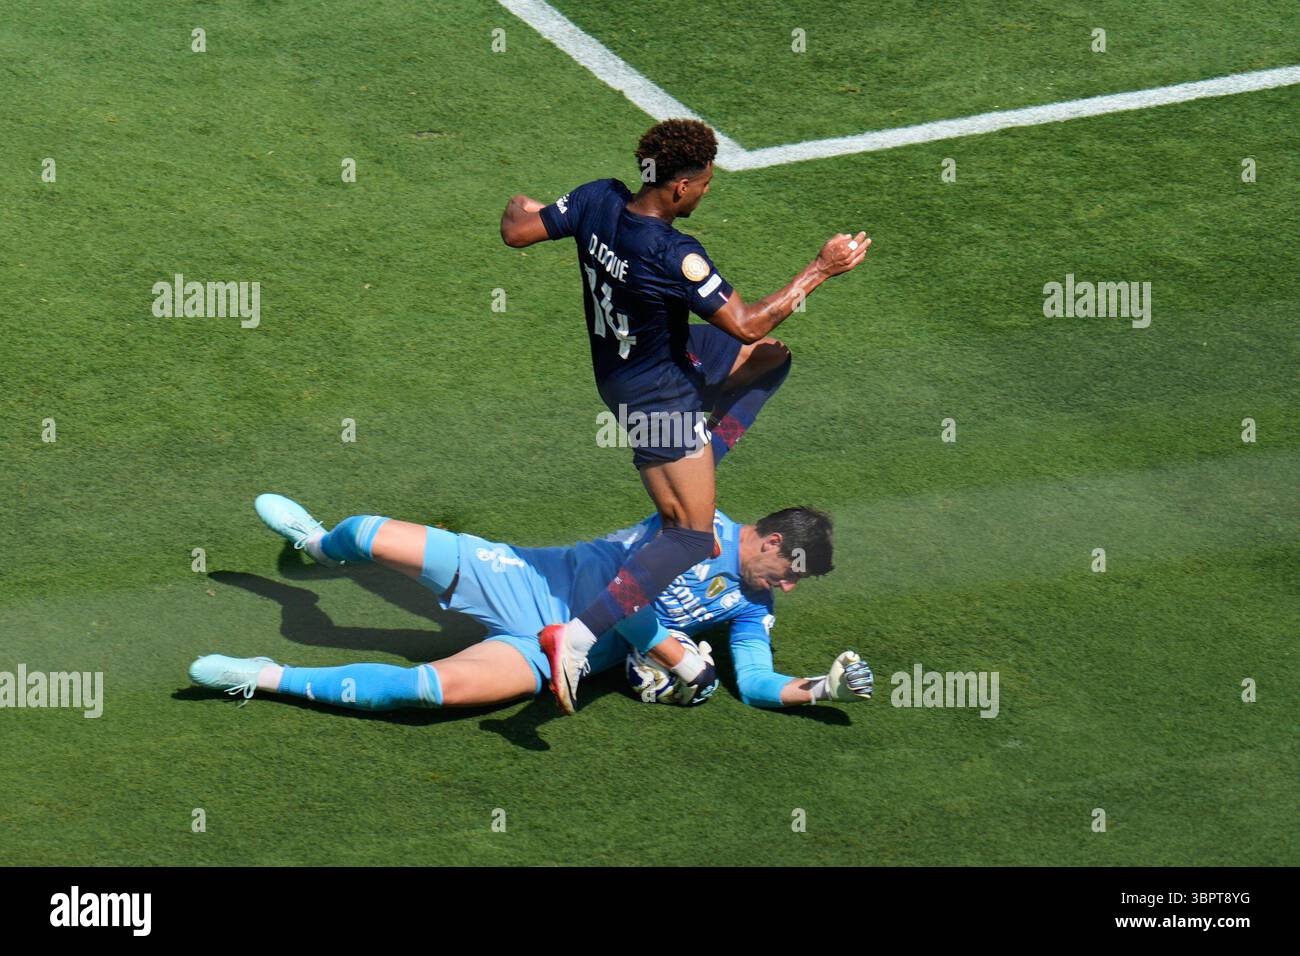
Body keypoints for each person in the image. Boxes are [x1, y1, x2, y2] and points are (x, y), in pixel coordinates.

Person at [499, 117, 871, 713]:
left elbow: (518, 230)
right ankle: (577, 638)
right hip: (658, 396)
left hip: (628, 365)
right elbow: (745, 321)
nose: (705, 192)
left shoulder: (598, 198)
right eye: (704, 183)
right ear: (680, 186)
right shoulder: (674, 252)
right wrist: (821, 269)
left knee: (770, 359)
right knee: (692, 537)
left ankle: (703, 447)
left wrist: (521, 203)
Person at [187, 495, 874, 712]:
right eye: (792, 572)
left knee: (427, 690)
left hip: (562, 650)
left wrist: (822, 687)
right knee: (367, 534)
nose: (787, 586)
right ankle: (317, 547)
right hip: (534, 578)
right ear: (772, 541)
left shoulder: (752, 605)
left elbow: (754, 681)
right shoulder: (694, 523)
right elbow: (623, 591)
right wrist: (675, 654)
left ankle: (264, 677)